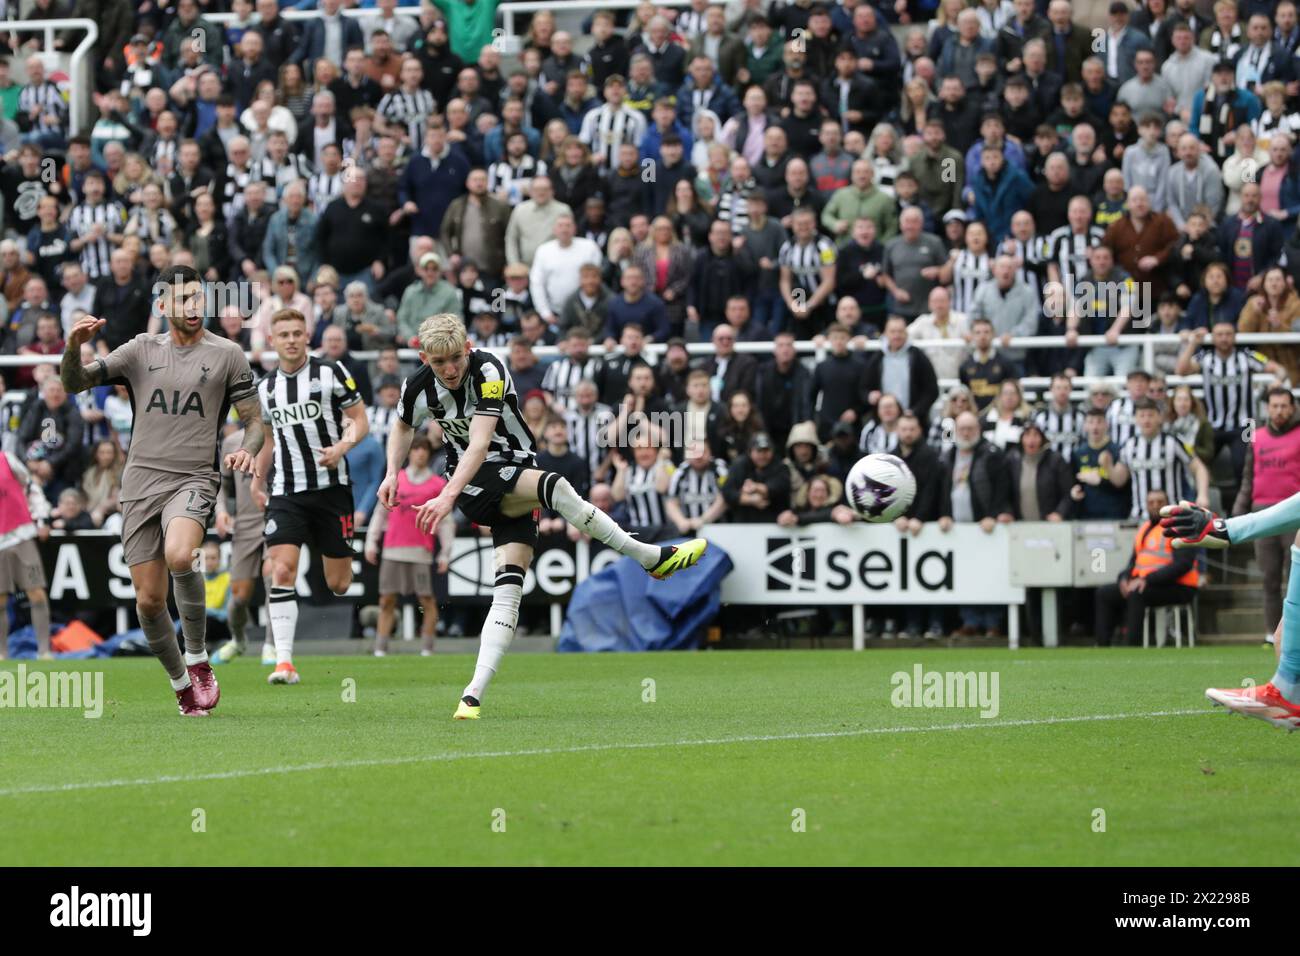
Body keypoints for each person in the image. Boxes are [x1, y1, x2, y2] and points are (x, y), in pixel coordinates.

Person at [381, 314, 707, 720]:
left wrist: (445, 497)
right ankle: (649, 557)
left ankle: (472, 695)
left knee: (509, 588)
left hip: (508, 472)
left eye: (454, 360)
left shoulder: (488, 370)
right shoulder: (418, 384)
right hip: (471, 480)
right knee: (555, 486)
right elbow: (403, 426)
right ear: (423, 357)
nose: (448, 370)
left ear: (467, 350)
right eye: (438, 362)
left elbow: (482, 441)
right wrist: (394, 472)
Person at [59, 265, 262, 716]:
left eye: (199, 297)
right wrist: (72, 348)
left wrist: (248, 450)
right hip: (139, 483)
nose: (194, 306)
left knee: (179, 555)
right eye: (184, 298)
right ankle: (180, 683)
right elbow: (74, 382)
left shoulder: (228, 353)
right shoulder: (140, 350)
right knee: (149, 602)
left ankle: (198, 657)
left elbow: (254, 420)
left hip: (194, 478)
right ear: (163, 305)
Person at [249, 308, 369, 685]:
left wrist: (341, 447)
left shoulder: (330, 373)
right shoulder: (265, 388)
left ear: (307, 336)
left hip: (332, 489)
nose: (290, 339)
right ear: (272, 340)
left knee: (339, 583)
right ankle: (284, 662)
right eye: (283, 334)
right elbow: (269, 441)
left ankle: (329, 546)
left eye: (297, 333)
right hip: (287, 491)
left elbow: (360, 419)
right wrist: (257, 480)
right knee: (281, 569)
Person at [364, 433, 452, 657]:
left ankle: (427, 647)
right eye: (415, 448)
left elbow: (446, 522)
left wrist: (445, 553)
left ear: (428, 453)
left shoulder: (437, 484)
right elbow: (380, 512)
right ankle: (381, 648)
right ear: (409, 452)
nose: (420, 453)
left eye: (424, 449)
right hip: (393, 548)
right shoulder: (396, 480)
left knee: (426, 600)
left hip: (421, 551)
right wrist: (371, 541)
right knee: (386, 599)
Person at [1231, 386, 1300, 641]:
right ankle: (1271, 635)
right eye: (1274, 406)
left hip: (1294, 514)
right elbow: (1248, 477)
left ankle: (1293, 636)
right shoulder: (1256, 437)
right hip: (1263, 511)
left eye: (1284, 406)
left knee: (1296, 580)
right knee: (1269, 577)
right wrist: (1239, 510)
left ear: (1292, 408)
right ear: (1267, 408)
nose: (1279, 411)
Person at [1095, 487, 1199, 646]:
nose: (1155, 505)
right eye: (1151, 502)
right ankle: (1103, 646)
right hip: (1148, 583)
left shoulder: (1180, 527)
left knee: (1137, 592)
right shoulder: (1144, 529)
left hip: (1179, 586)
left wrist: (1148, 580)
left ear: (1168, 504)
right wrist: (1124, 578)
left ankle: (1131, 646)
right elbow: (1133, 563)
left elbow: (1182, 565)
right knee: (1104, 593)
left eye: (1160, 502)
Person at [211, 421, 273, 666]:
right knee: (238, 596)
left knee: (274, 578)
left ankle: (271, 645)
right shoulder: (232, 442)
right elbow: (221, 485)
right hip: (245, 523)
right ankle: (238, 640)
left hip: (277, 516)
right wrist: (221, 510)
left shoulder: (282, 434)